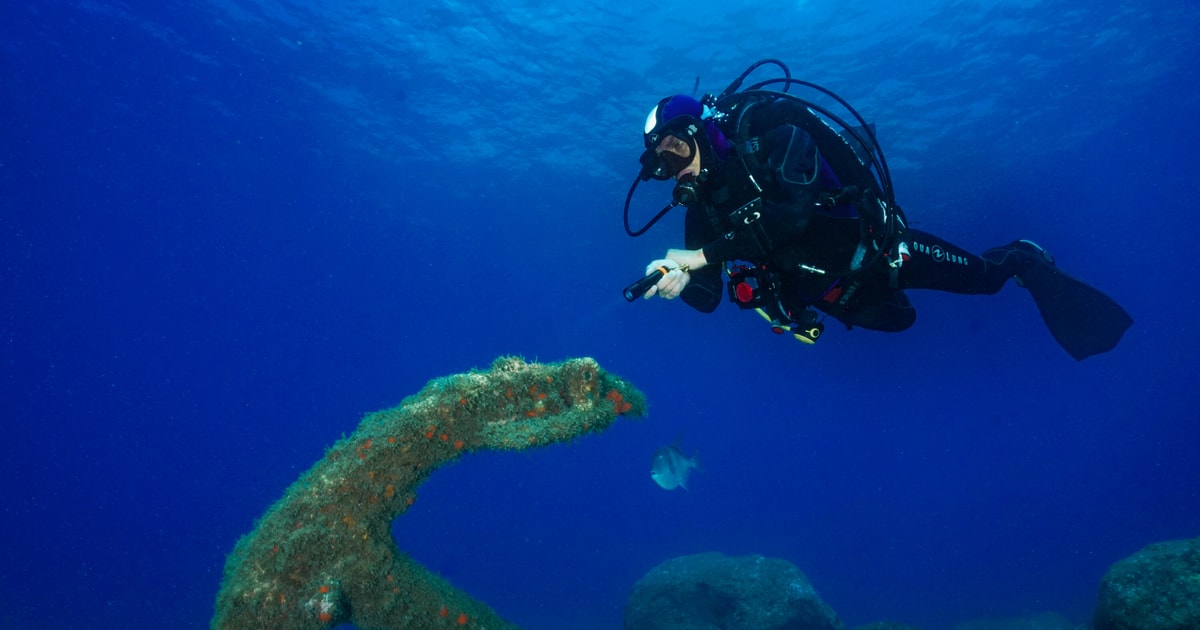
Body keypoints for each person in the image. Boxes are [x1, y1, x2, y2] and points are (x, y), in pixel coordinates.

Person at [622, 60, 1131, 360]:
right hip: (836, 294)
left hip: (885, 251)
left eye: (676, 150)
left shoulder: (775, 136)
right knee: (901, 322)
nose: (673, 168)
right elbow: (708, 294)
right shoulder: (704, 210)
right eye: (660, 163)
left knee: (984, 279)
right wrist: (677, 279)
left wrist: (703, 256)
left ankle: (1021, 258)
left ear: (704, 134)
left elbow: (793, 215)